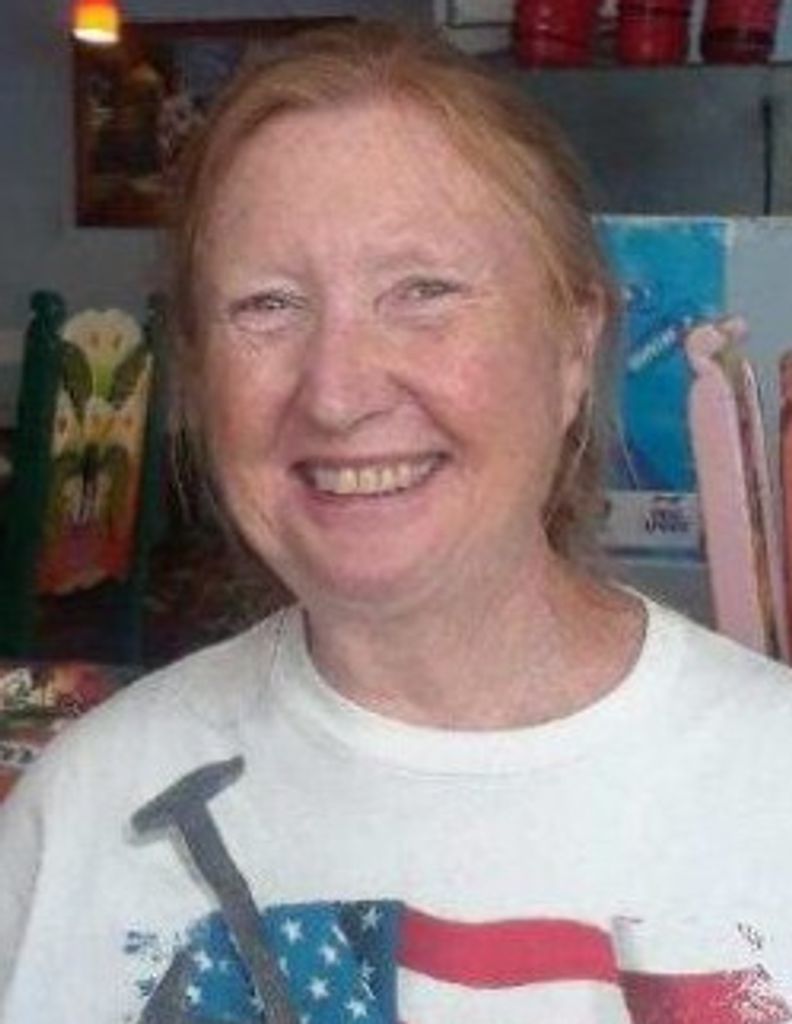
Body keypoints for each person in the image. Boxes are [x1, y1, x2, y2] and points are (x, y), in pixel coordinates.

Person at [3, 20, 792, 1024]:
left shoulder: (770, 785)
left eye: (423, 291)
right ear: (200, 376)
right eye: (267, 305)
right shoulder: (82, 819)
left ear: (571, 342)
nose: (337, 394)